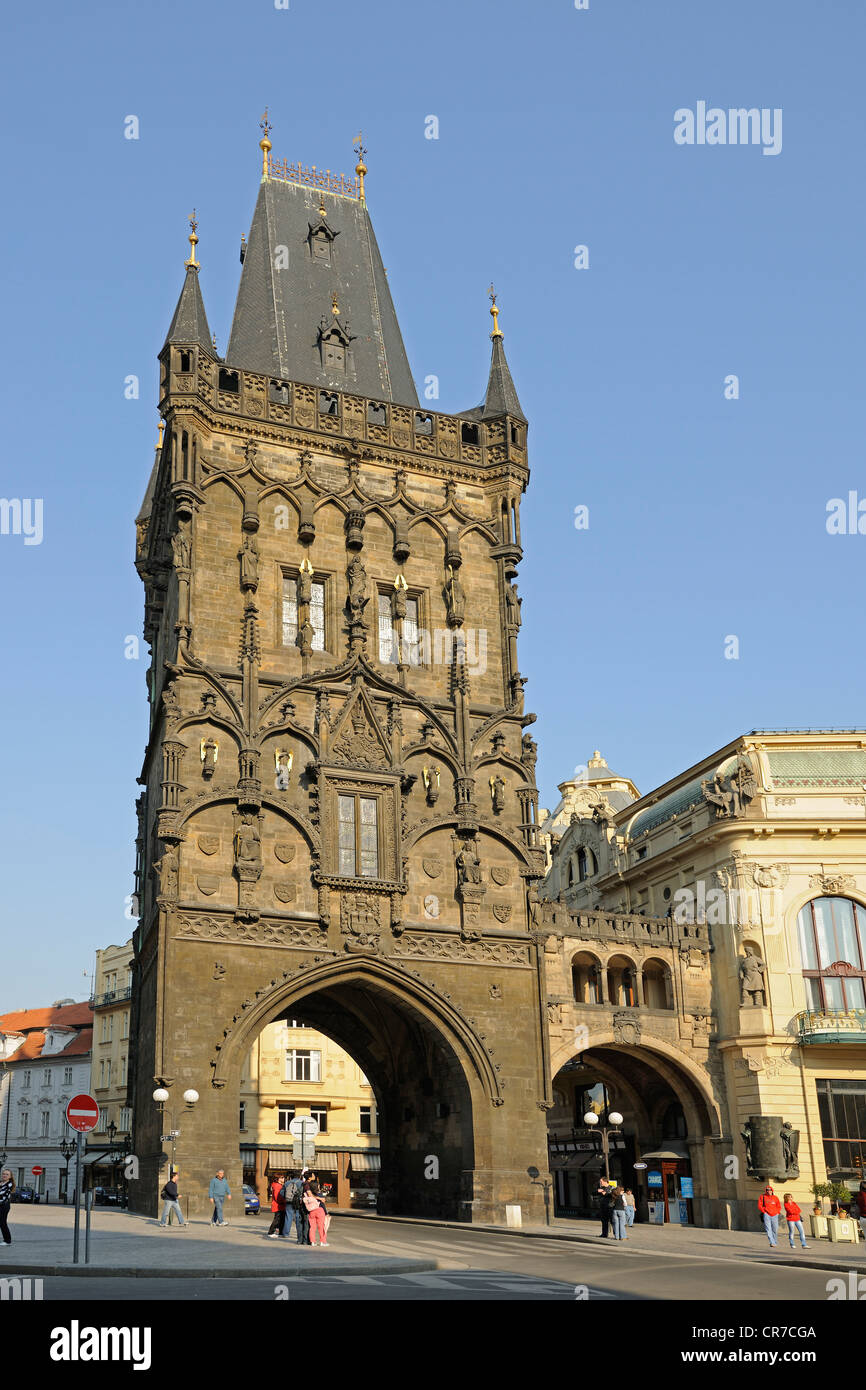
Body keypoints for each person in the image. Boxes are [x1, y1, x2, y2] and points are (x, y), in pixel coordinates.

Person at [303, 1172, 328, 1247]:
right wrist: (326, 1213)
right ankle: (322, 1241)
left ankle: (313, 1241)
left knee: (312, 1227)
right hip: (320, 1210)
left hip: (311, 1211)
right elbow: (322, 1205)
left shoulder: (308, 1191)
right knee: (321, 1227)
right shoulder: (319, 1195)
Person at [288, 1171, 310, 1246]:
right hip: (305, 1206)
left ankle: (299, 1240)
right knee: (305, 1223)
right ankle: (305, 1240)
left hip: (297, 1205)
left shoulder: (288, 1183)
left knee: (299, 1223)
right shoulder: (304, 1184)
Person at [267, 1174, 286, 1239]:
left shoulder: (277, 1185)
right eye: (282, 1177)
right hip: (278, 1205)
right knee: (277, 1219)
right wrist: (283, 1201)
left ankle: (280, 1232)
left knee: (281, 1219)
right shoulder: (277, 1186)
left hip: (279, 1205)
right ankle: (271, 1232)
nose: (284, 1179)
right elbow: (277, 1197)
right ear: (278, 1179)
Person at [0, 1170, 15, 1245]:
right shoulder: (1, 1183)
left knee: (2, 1223)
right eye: (3, 1174)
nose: (4, 1175)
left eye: (7, 1174)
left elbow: (2, 1193)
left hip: (4, 1205)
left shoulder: (9, 1184)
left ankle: (7, 1240)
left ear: (10, 1176)